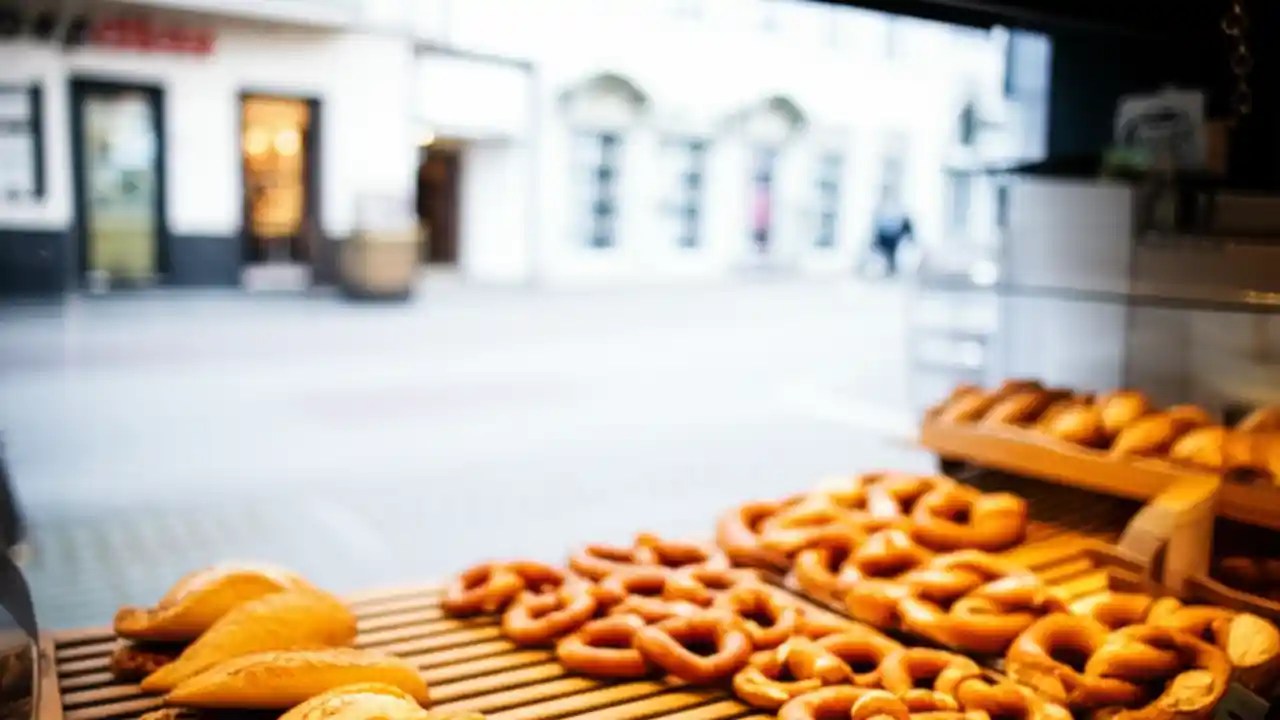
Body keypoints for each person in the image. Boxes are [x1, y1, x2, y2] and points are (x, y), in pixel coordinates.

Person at [871, 195, 913, 276]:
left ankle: (891, 269)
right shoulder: (882, 208)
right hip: (886, 235)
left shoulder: (899, 209)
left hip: (893, 235)